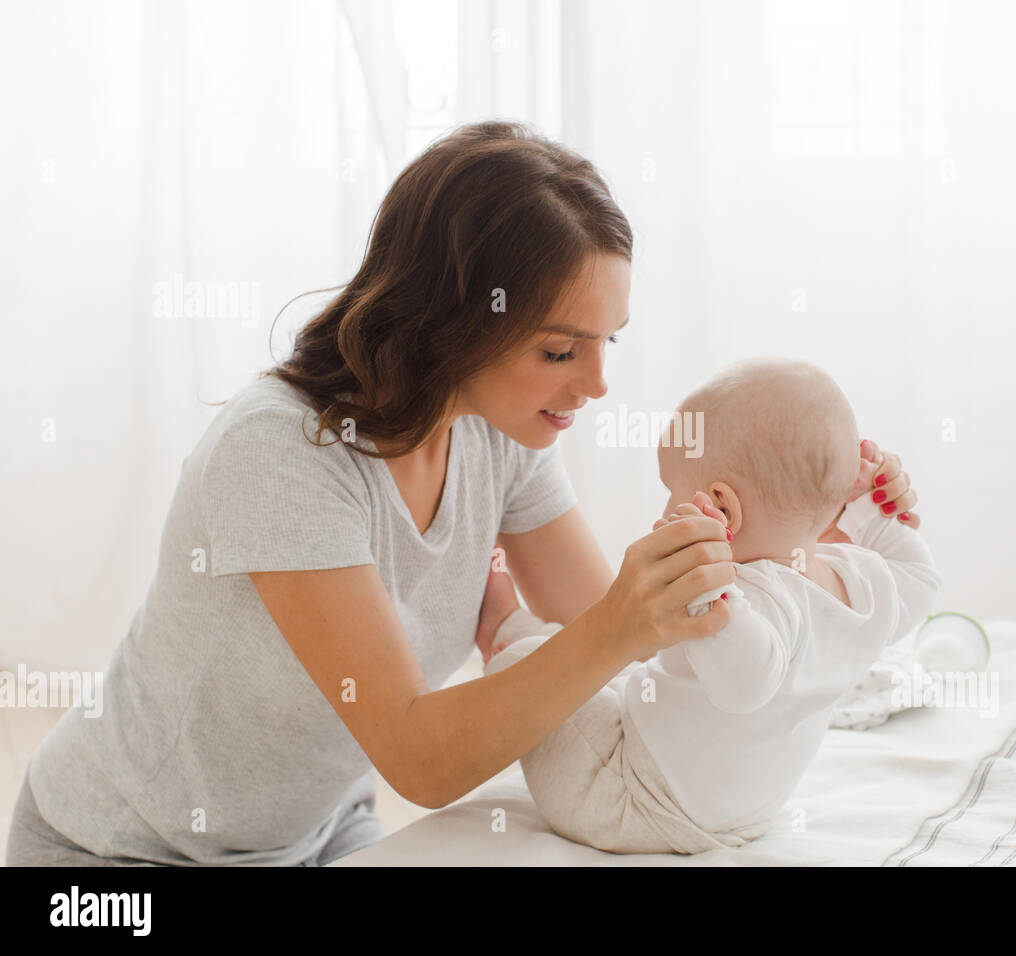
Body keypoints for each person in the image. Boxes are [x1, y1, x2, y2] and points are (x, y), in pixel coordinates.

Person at [4, 120, 737, 866]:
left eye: (606, 340)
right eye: (558, 349)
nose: (597, 383)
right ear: (453, 318)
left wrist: (777, 563)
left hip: (319, 833)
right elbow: (420, 758)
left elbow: (618, 643)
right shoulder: (282, 452)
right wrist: (618, 625)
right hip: (115, 852)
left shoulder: (501, 431)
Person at [481, 358, 936, 853]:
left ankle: (506, 629)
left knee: (527, 661)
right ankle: (533, 635)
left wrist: (703, 583)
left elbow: (746, 682)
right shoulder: (857, 582)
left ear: (721, 507)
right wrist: (874, 513)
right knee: (614, 674)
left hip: (632, 798)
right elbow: (920, 579)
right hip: (746, 810)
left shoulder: (753, 601)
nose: (664, 508)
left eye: (669, 489)